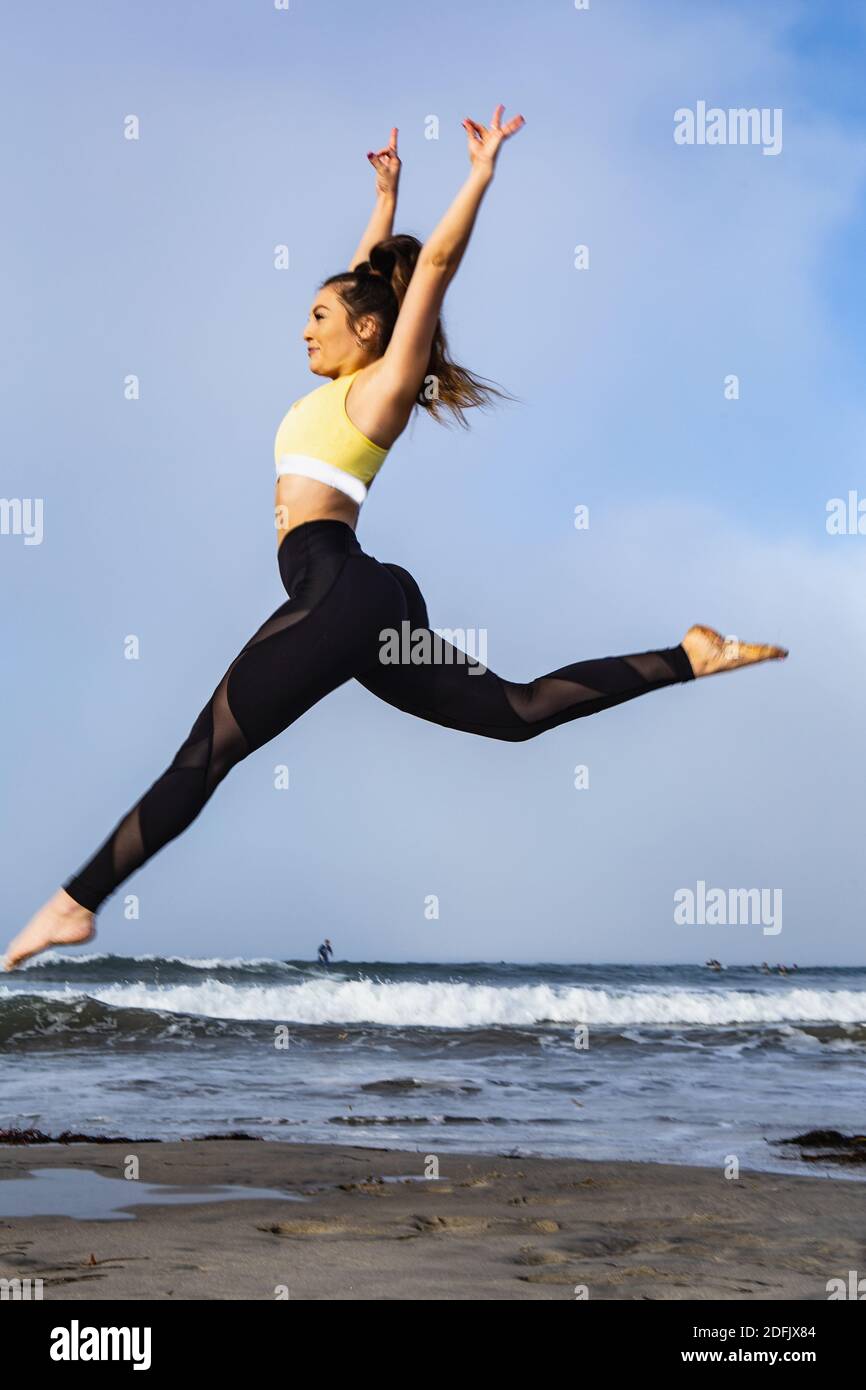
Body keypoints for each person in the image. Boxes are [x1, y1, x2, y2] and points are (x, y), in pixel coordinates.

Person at [3, 109, 787, 972]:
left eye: (318, 315)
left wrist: (480, 174)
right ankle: (689, 655)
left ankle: (74, 904)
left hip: (339, 591)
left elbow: (432, 272)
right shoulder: (342, 381)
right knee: (517, 714)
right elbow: (365, 283)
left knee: (206, 753)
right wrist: (383, 199)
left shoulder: (378, 394)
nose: (304, 327)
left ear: (367, 331)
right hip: (364, 601)